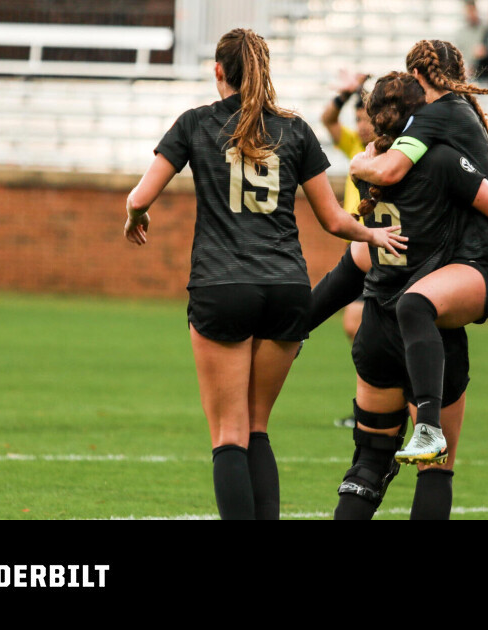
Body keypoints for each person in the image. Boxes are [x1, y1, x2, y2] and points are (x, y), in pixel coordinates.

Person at [122, 28, 406, 521]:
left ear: (218, 72)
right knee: (257, 428)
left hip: (222, 285)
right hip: (287, 290)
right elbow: (334, 221)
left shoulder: (194, 123)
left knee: (228, 435)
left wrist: (135, 217)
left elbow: (140, 196)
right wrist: (375, 236)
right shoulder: (295, 130)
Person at [334, 71, 488, 520]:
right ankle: (429, 429)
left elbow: (351, 265)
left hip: (378, 323)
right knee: (436, 471)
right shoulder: (439, 161)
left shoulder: (369, 168)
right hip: (431, 333)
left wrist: (297, 325)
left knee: (369, 462)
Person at [320, 69, 374, 429]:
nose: (358, 123)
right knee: (356, 327)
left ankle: (377, 406)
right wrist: (346, 93)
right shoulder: (356, 145)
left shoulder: (392, 152)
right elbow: (326, 120)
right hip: (359, 253)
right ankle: (370, 406)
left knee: (360, 325)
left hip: (381, 253)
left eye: (363, 116)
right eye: (355, 117)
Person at [453, 1, 484, 80]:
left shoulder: (486, 29)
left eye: (472, 11)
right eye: (468, 12)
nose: (471, 15)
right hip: (467, 73)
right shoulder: (460, 33)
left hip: (484, 71)